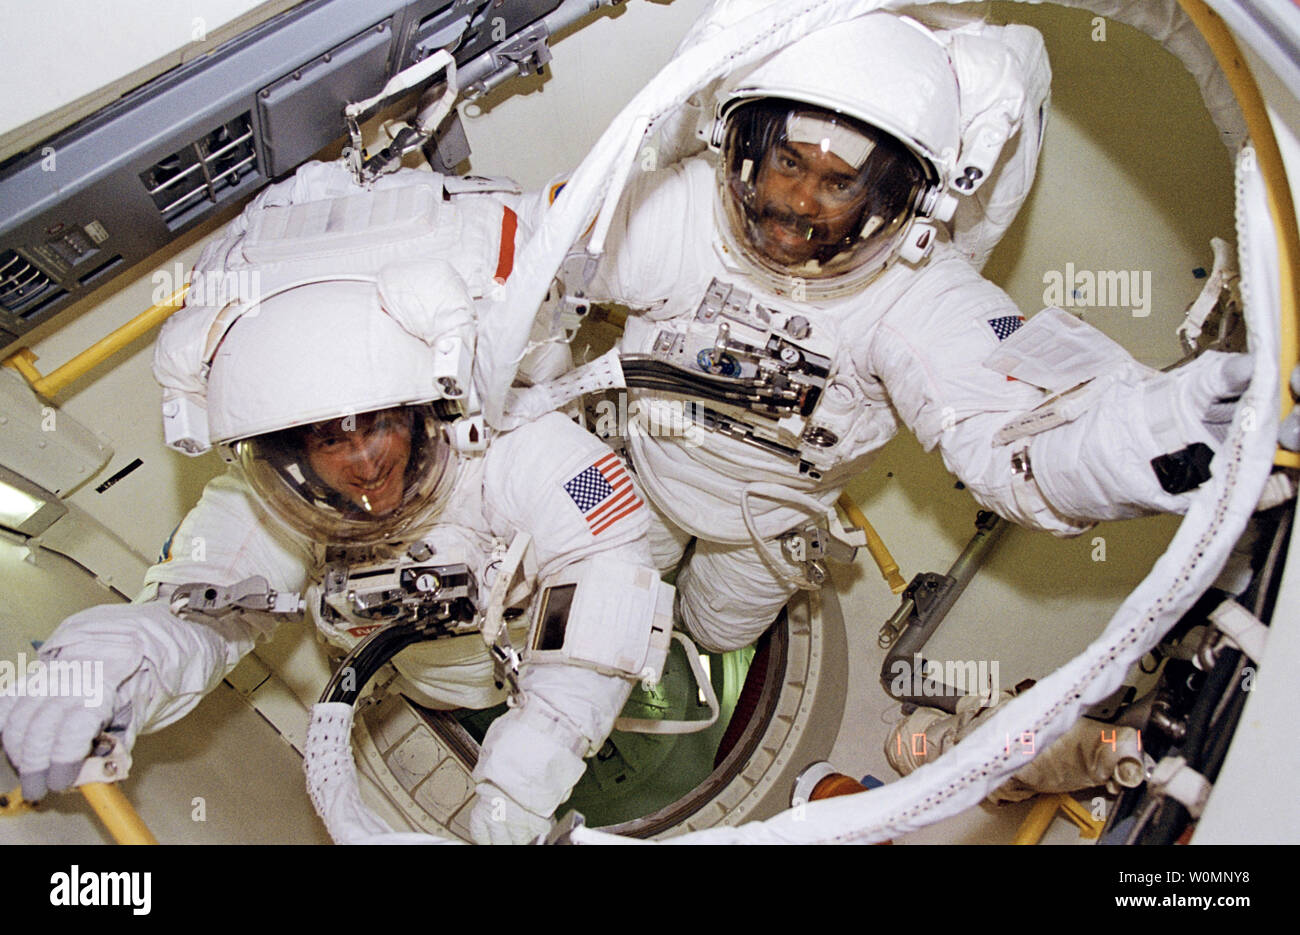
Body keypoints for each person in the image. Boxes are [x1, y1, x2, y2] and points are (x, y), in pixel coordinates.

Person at [532, 11, 1251, 653]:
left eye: (839, 182)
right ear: (747, 144)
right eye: (790, 161)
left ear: (891, 197)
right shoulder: (679, 212)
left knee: (719, 631)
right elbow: (527, 258)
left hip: (771, 521)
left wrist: (1147, 439)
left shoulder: (914, 290)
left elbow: (1015, 426)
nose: (801, 200)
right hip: (649, 472)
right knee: (615, 580)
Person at [0, 163, 671, 845]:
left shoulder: (520, 450)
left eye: (375, 421)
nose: (362, 461)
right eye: (327, 438)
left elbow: (608, 574)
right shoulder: (277, 505)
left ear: (422, 407)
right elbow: (197, 608)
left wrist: (522, 779)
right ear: (291, 449)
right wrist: (112, 661)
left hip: (521, 666)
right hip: (419, 680)